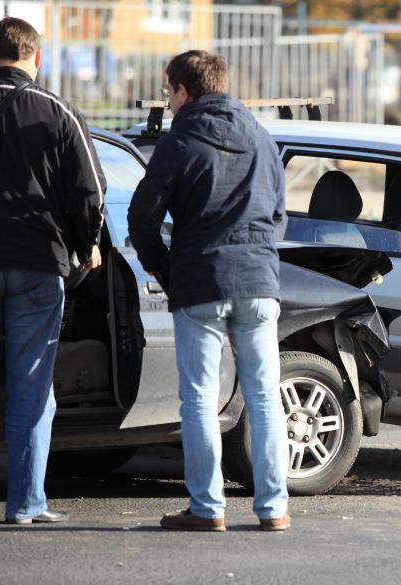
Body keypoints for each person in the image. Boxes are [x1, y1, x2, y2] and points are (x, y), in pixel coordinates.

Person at [127, 50, 290, 532]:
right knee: (263, 397)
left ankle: (207, 508)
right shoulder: (262, 137)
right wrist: (258, 252)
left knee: (199, 398)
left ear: (183, 91)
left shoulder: (180, 141)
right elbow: (279, 213)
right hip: (260, 281)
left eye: (168, 92)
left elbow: (141, 217)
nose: (168, 102)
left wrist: (168, 270)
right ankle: (273, 508)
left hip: (200, 280)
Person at [0, 17, 104, 524]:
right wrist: (87, 245)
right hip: (39, 267)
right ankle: (25, 504)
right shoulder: (58, 110)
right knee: (31, 390)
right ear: (36, 59)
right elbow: (91, 191)